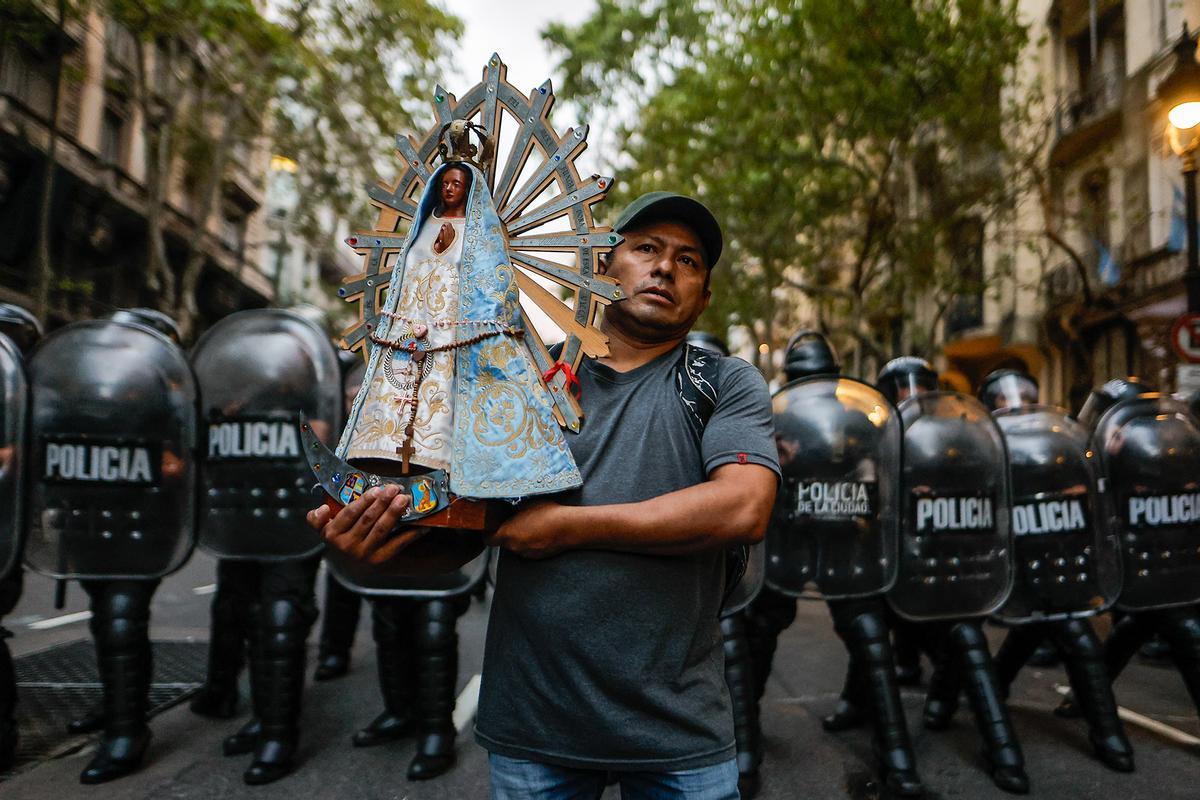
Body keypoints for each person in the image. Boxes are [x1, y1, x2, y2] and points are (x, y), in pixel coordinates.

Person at [309, 191, 779, 799]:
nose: (665, 268)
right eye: (646, 249)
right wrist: (367, 547)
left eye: (689, 262)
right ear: (604, 266)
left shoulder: (724, 381)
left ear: (704, 297)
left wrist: (566, 528)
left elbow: (743, 507)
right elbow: (469, 532)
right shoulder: (519, 378)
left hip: (678, 727)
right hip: (536, 722)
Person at [751, 331, 923, 797]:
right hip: (797, 534)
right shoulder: (776, 415)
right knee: (769, 628)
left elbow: (883, 476)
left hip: (839, 536)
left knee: (863, 635)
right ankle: (745, 744)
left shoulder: (855, 417)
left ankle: (899, 763)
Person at [981, 369, 1133, 772]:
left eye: (1025, 396)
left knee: (1067, 634)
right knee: (984, 639)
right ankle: (1107, 735)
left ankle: (1108, 735)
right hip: (1009, 559)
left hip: (1053, 555)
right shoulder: (983, 443)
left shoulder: (1058, 438)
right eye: (1004, 399)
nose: (1016, 405)